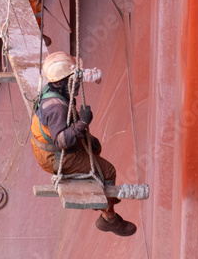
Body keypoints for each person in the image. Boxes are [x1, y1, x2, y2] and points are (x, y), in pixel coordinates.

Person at [31, 51, 137, 237]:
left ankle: (104, 191)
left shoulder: (53, 89)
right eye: (75, 77)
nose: (78, 82)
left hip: (51, 145)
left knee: (94, 146)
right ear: (64, 81)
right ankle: (108, 218)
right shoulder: (57, 107)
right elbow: (61, 141)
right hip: (54, 156)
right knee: (109, 171)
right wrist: (83, 123)